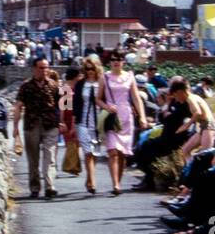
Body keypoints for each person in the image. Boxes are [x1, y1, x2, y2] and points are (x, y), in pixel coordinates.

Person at [96, 50, 148, 195]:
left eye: (119, 59)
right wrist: (107, 106)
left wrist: (142, 117)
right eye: (113, 59)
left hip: (126, 117)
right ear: (110, 62)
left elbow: (136, 98)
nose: (116, 61)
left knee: (123, 153)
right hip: (111, 117)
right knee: (113, 151)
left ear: (123, 62)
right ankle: (116, 184)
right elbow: (98, 99)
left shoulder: (129, 76)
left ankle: (118, 179)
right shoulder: (104, 77)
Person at [12, 58, 61, 198]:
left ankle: (50, 185)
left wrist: (62, 122)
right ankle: (34, 187)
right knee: (33, 159)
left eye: (46, 67)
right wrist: (15, 127)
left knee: (50, 156)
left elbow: (62, 106)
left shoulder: (54, 85)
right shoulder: (26, 86)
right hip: (32, 125)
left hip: (50, 124)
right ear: (34, 68)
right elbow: (18, 106)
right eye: (41, 67)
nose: (44, 70)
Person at [70, 55, 107, 194]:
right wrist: (73, 124)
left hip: (98, 123)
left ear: (97, 68)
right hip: (82, 122)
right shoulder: (80, 84)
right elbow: (75, 104)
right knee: (88, 152)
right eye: (87, 68)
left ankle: (89, 178)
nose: (90, 71)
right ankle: (92, 180)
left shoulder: (102, 82)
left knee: (95, 152)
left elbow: (105, 100)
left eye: (92, 68)